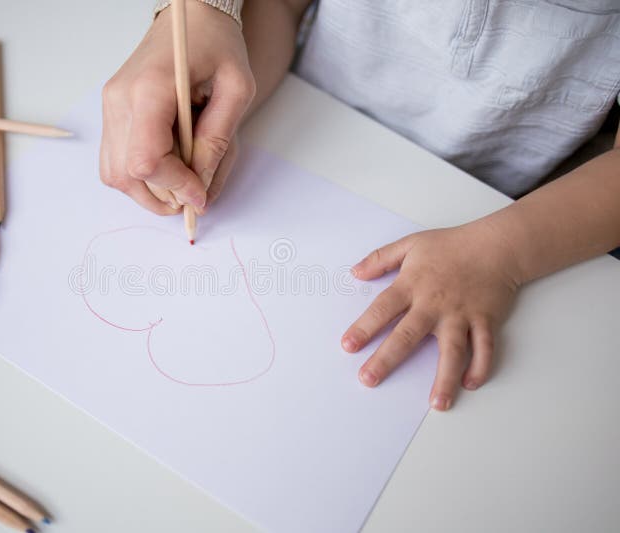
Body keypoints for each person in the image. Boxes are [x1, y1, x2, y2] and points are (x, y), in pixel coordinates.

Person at [99, 0, 620, 410]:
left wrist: (504, 253)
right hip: (307, 124)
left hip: (512, 203)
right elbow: (281, 4)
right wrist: (216, 79)